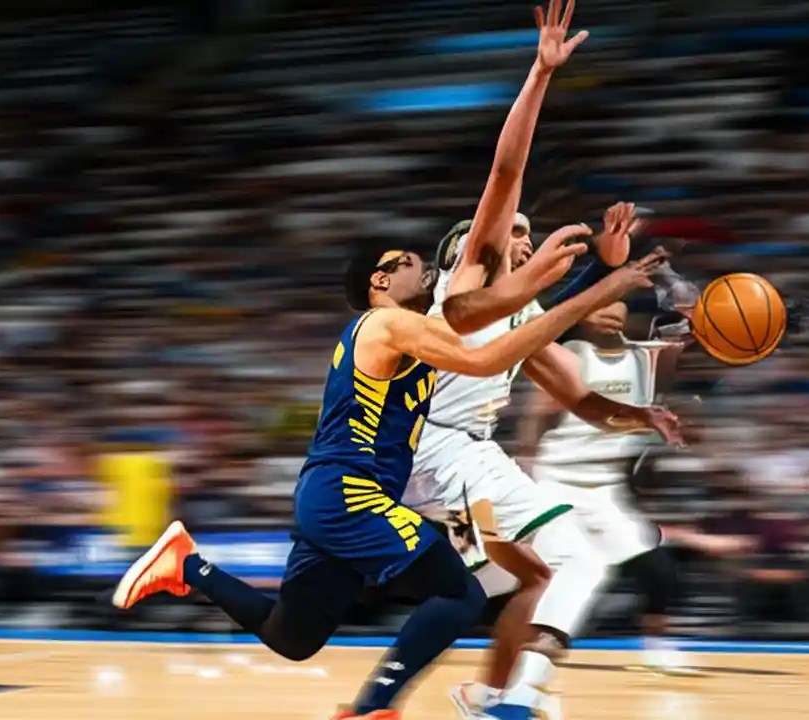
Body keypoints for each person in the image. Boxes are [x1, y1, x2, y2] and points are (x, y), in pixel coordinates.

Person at [109, 9, 647, 718]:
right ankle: (377, 710)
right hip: (367, 486)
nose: (419, 264)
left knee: (294, 636)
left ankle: (189, 564)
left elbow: (525, 331)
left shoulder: (434, 317)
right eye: (406, 262)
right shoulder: (406, 315)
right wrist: (540, 74)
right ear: (386, 279)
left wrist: (589, 282)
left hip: (355, 488)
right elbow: (503, 193)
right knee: (462, 592)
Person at [403, 206, 681, 720]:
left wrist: (639, 416)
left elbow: (575, 386)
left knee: (504, 579)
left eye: (529, 232)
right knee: (572, 560)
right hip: (443, 458)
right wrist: (604, 271)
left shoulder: (515, 312)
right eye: (515, 232)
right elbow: (553, 307)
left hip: (453, 471)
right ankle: (514, 699)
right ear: (468, 252)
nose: (528, 240)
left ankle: (480, 696)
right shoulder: (454, 301)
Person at [523, 299, 747, 676]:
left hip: (604, 485)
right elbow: (536, 415)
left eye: (618, 307)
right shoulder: (569, 356)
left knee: (658, 569)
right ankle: (543, 637)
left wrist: (719, 325)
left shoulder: (645, 357)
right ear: (582, 316)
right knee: (570, 565)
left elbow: (684, 354)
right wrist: (526, 467)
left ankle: (657, 649)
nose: (611, 313)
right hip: (556, 477)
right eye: (600, 306)